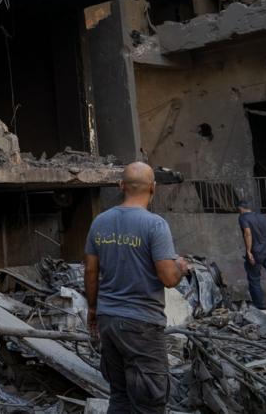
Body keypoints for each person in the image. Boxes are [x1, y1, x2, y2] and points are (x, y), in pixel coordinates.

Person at [84, 162, 190, 414]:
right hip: (142, 326)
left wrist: (92, 309)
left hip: (109, 321)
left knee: (119, 397)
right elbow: (168, 278)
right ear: (153, 188)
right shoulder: (155, 225)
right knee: (150, 403)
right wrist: (181, 268)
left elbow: (90, 271)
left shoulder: (100, 222)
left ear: (121, 186)